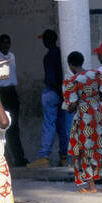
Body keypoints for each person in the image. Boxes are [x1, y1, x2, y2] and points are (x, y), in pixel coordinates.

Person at [61, 51, 102, 192]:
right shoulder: (97, 75)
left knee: (84, 151)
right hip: (97, 115)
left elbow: (71, 106)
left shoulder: (73, 81)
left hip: (84, 118)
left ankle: (91, 186)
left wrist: (74, 106)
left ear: (70, 65)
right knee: (98, 148)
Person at [30, 28, 70, 167]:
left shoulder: (48, 56)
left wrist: (55, 91)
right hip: (62, 92)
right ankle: (64, 156)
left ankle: (44, 156)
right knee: (62, 126)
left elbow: (51, 78)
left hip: (52, 92)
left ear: (47, 41)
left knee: (49, 125)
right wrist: (62, 93)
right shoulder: (61, 53)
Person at [0, 34, 27, 167]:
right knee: (3, 126)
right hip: (1, 92)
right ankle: (6, 159)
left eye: (8, 43)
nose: (6, 45)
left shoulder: (12, 56)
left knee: (14, 126)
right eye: (3, 43)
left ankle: (19, 158)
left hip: (12, 91)